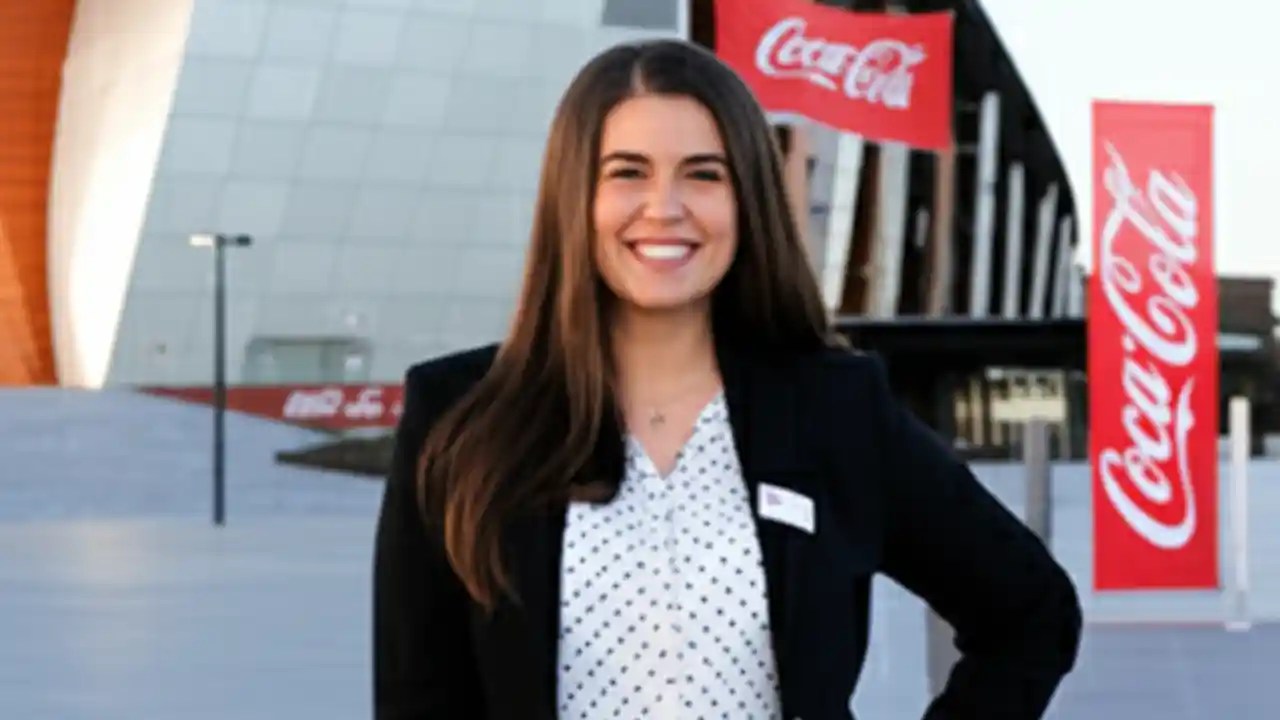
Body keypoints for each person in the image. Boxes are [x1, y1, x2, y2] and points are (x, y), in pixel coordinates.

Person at [373, 39, 1081, 720]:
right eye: (628, 171)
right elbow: (418, 701)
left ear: (746, 200)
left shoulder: (832, 410)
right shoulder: (460, 416)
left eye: (704, 173)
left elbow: (1030, 612)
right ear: (574, 198)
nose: (665, 206)